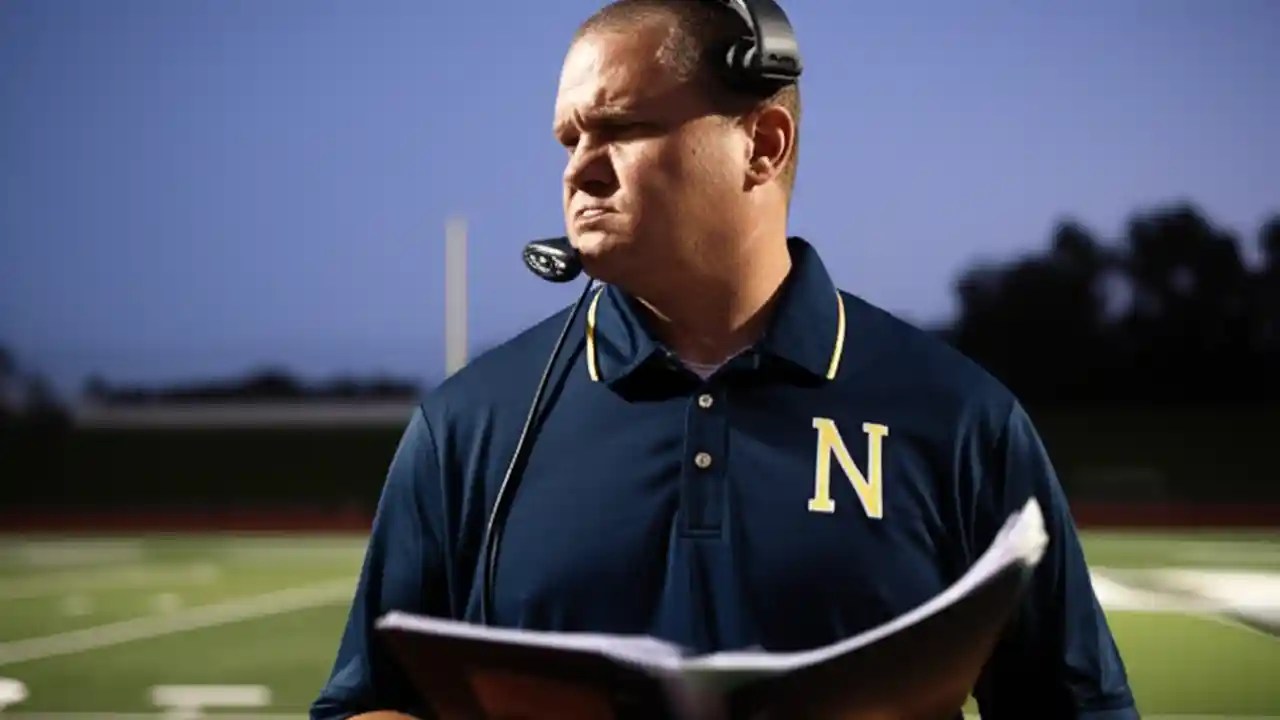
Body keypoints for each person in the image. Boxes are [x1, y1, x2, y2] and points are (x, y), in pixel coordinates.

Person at [312, 1, 1138, 718]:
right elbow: (366, 703)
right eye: (569, 138)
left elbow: (1078, 706)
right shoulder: (466, 429)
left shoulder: (959, 419)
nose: (578, 169)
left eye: (621, 127)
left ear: (763, 144)